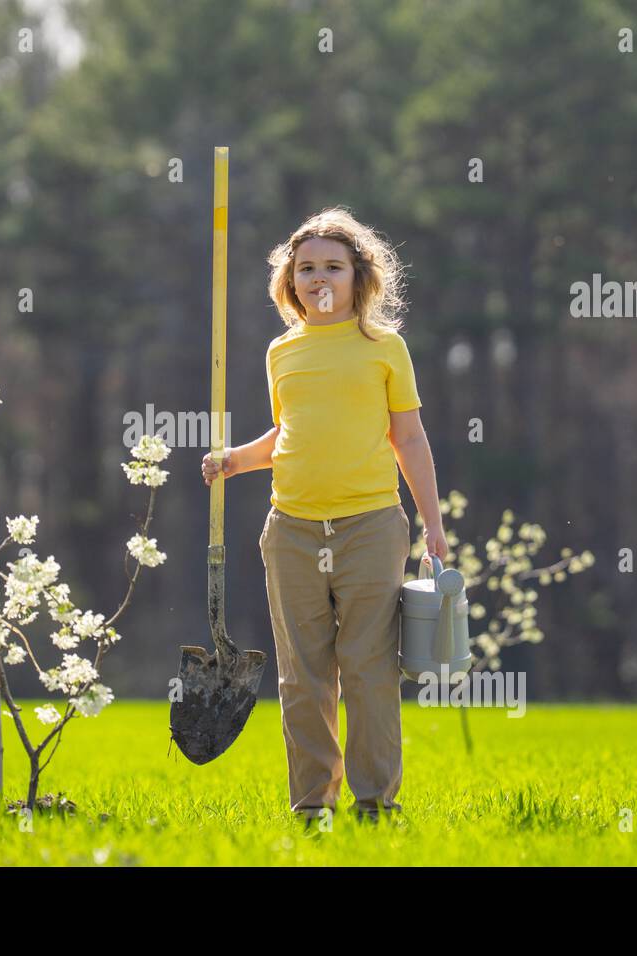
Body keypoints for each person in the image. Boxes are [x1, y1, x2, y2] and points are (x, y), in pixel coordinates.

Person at [201, 206, 448, 826]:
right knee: (303, 677)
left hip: (370, 525)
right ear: (290, 282)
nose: (319, 278)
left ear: (359, 277)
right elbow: (287, 434)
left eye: (333, 267)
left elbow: (409, 439)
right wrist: (234, 460)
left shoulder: (384, 348)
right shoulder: (282, 351)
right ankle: (313, 806)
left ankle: (375, 805)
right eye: (306, 267)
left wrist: (434, 526)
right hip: (291, 528)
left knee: (367, 670)